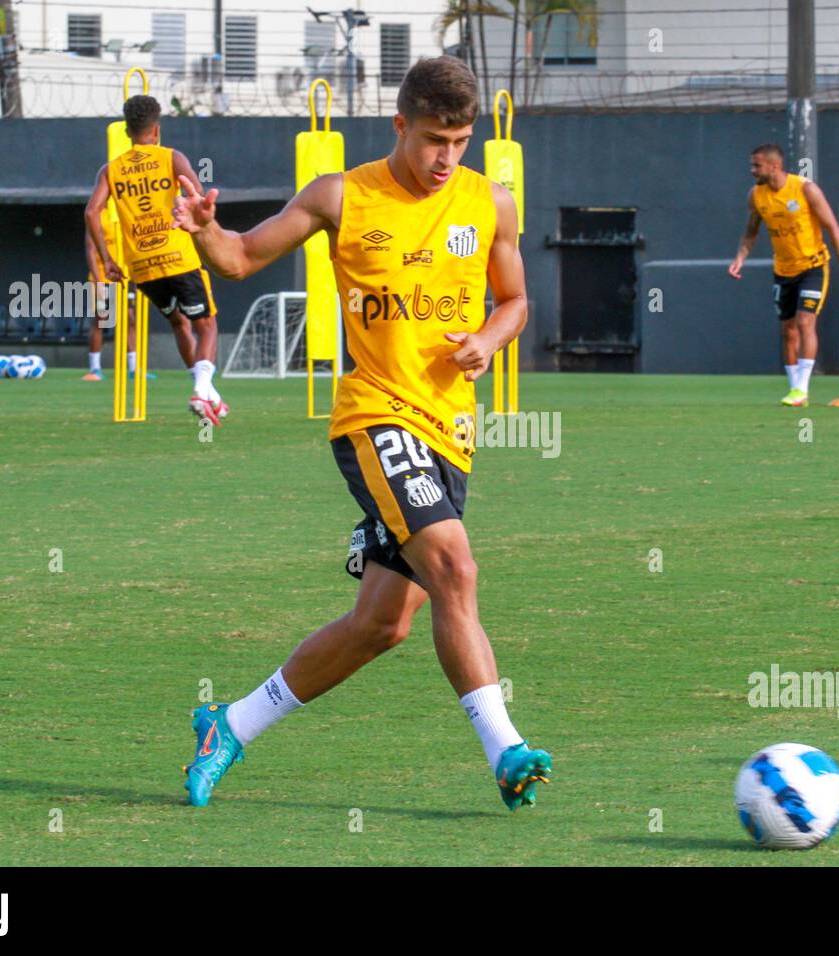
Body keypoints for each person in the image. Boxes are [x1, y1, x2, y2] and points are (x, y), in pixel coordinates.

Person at [171, 56, 552, 810]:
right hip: (373, 416)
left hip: (449, 433)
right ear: (400, 126)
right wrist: (206, 231)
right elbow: (242, 256)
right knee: (455, 567)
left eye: (462, 141)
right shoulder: (342, 195)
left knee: (383, 623)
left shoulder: (492, 204)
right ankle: (505, 749)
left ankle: (231, 724)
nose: (448, 158)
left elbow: (515, 301)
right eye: (435, 140)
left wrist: (490, 338)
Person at [84, 95, 224, 421]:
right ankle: (201, 393)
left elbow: (92, 212)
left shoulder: (110, 170)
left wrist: (107, 259)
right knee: (207, 326)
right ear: (157, 129)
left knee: (178, 322)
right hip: (178, 257)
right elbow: (197, 192)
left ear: (126, 131)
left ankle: (210, 395)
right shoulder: (171, 157)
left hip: (142, 267)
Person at [729, 144, 839, 406]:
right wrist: (740, 258)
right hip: (783, 271)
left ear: (774, 166)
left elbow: (832, 227)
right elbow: (751, 231)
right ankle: (794, 390)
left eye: (757, 165)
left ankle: (802, 388)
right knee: (788, 330)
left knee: (805, 322)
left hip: (813, 266)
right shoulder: (756, 195)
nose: (752, 170)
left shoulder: (805, 189)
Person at [81, 209, 152, 383]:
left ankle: (134, 368)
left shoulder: (123, 211)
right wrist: (98, 281)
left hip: (123, 277)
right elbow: (90, 249)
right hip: (102, 277)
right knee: (101, 320)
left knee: (130, 319)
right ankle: (95, 368)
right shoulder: (96, 214)